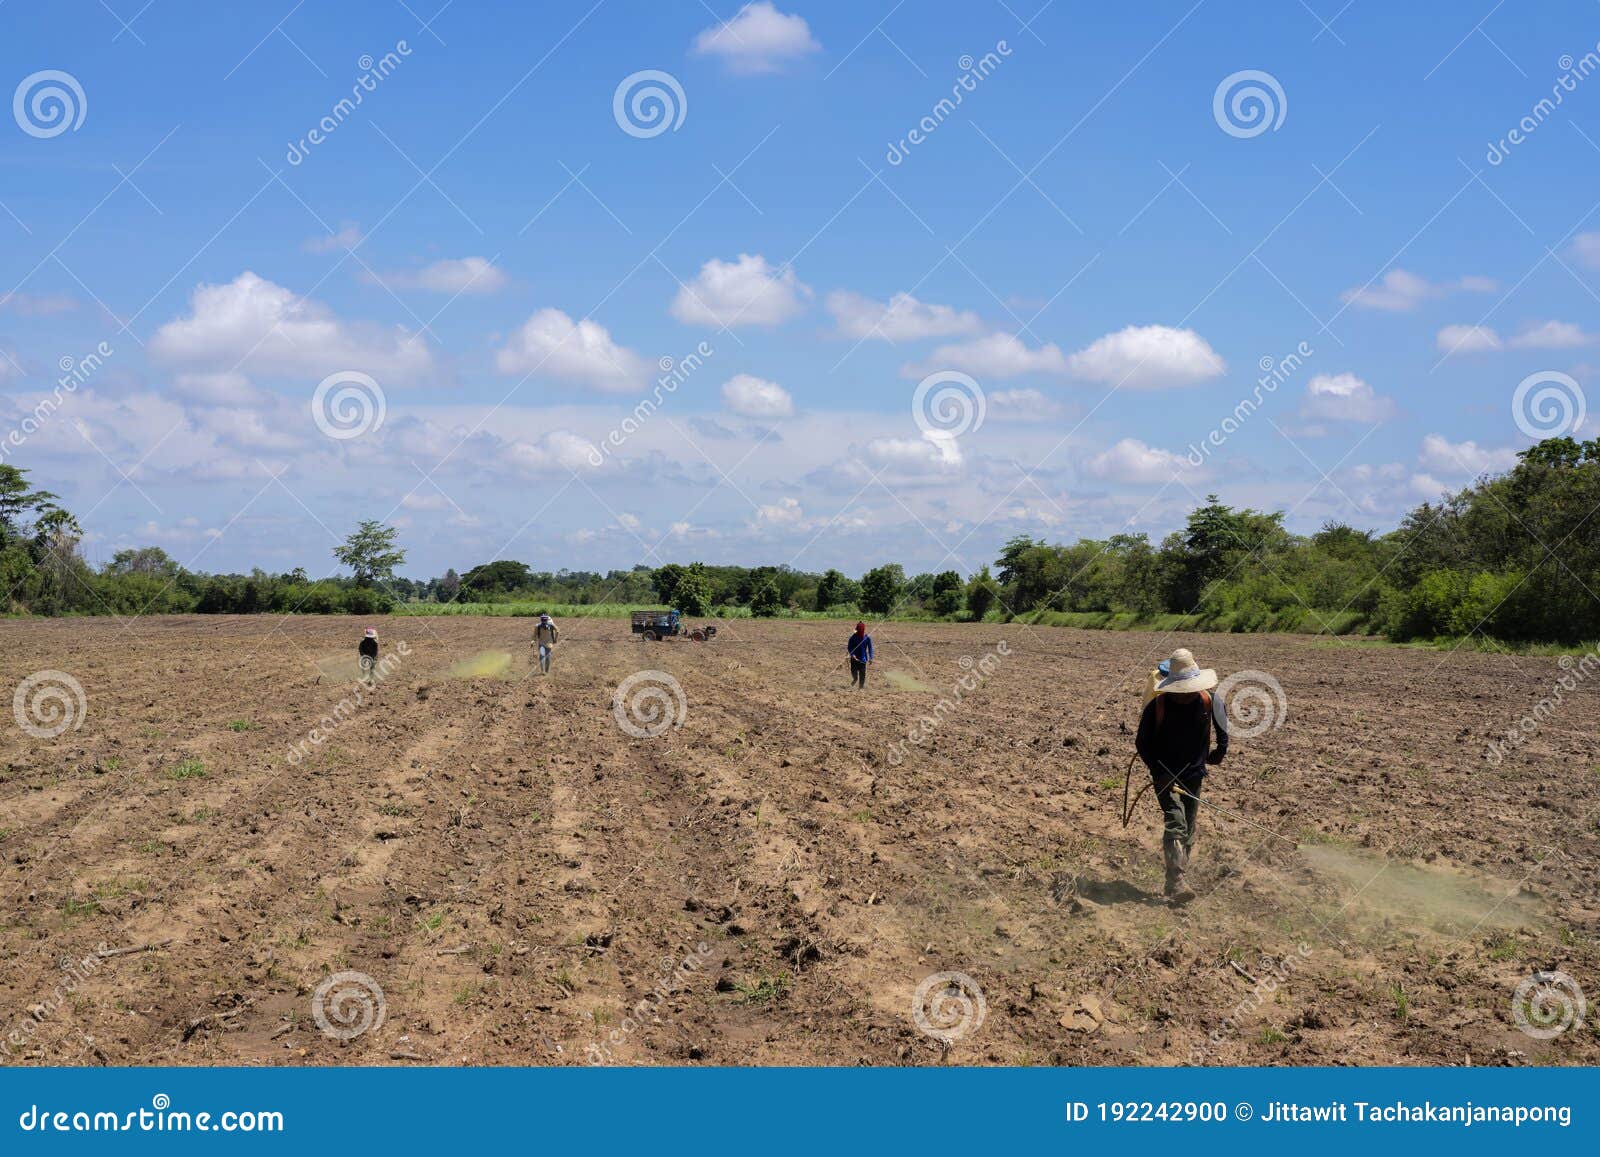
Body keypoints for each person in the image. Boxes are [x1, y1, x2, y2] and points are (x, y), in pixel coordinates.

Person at [1135, 648, 1229, 904]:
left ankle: (1173, 878)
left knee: (1188, 826)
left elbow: (1222, 732)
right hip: (1165, 774)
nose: (1186, 694)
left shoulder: (1211, 701)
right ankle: (1177, 881)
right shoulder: (1158, 705)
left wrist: (1219, 752)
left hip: (1194, 773)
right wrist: (1158, 771)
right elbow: (1142, 743)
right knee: (1175, 820)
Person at [846, 621, 873, 689]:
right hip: (854, 659)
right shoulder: (853, 637)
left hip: (863, 659)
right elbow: (849, 647)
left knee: (862, 674)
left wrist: (871, 657)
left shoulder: (867, 638)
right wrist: (852, 654)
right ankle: (855, 679)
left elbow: (870, 648)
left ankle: (861, 687)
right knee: (854, 672)